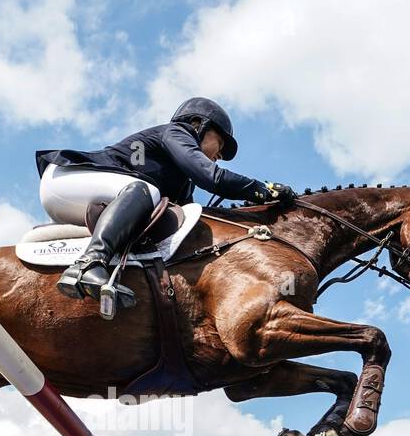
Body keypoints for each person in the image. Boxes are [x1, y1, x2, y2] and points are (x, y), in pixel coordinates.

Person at [35, 97, 294, 310]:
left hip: (89, 197)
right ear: (197, 125)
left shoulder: (181, 183)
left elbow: (188, 225)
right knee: (147, 190)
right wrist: (263, 190)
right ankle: (89, 263)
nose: (220, 156)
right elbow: (212, 178)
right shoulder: (176, 133)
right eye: (220, 144)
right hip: (67, 180)